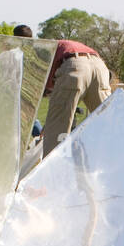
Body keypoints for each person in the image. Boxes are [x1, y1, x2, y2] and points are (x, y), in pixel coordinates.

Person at [13, 24, 110, 156]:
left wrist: (51, 125)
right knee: (109, 121)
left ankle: (53, 169)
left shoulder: (33, 50)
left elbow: (41, 88)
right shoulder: (49, 44)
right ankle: (119, 162)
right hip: (99, 65)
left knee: (56, 132)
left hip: (74, 64)